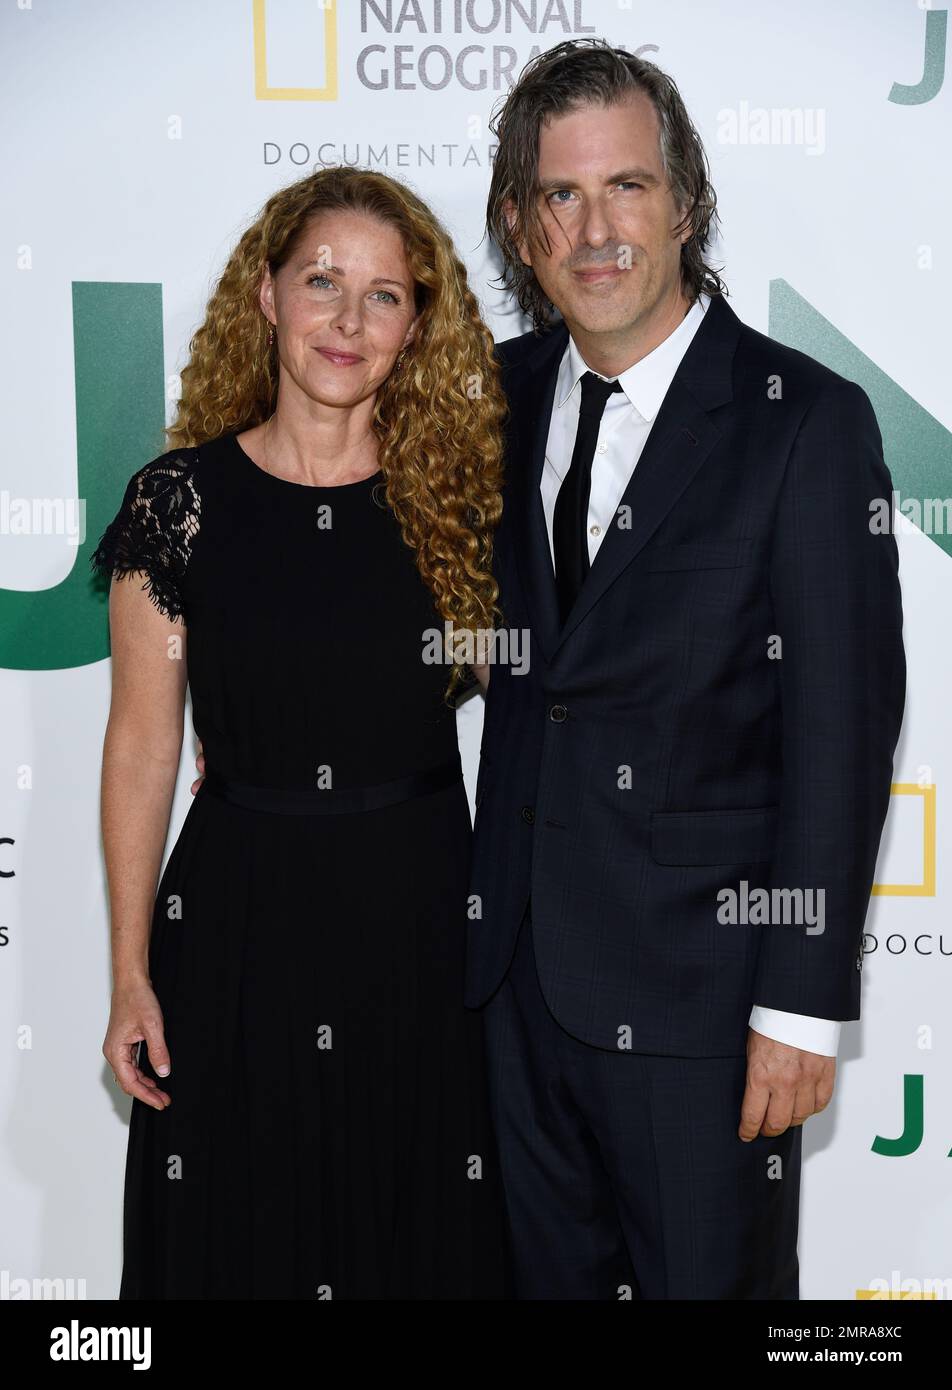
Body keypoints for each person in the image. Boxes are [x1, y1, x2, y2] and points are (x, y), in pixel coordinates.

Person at [466, 39, 906, 1298]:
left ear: (686, 203)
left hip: (709, 1011)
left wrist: (802, 1005)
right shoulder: (490, 397)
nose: (595, 230)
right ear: (520, 223)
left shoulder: (801, 420)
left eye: (628, 188)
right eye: (561, 196)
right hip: (510, 997)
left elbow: (842, 728)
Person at [91, 166, 512, 1299]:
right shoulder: (177, 502)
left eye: (384, 295)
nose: (346, 319)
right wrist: (131, 970)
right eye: (322, 280)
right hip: (235, 925)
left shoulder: (466, 507)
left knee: (413, 1235)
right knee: (237, 1238)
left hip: (422, 922)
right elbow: (141, 746)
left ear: (416, 325)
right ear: (266, 295)